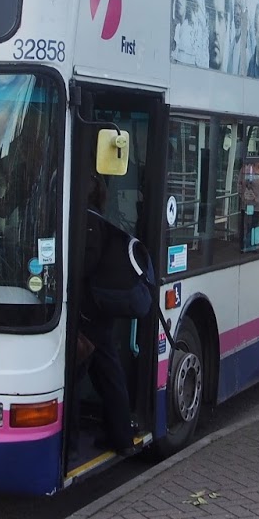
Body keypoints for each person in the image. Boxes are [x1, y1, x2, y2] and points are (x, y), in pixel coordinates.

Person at [81, 176, 147, 455]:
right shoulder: (101, 221)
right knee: (106, 375)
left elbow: (83, 268)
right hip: (96, 313)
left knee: (92, 375)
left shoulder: (89, 224)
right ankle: (119, 436)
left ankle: (80, 440)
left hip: (88, 316)